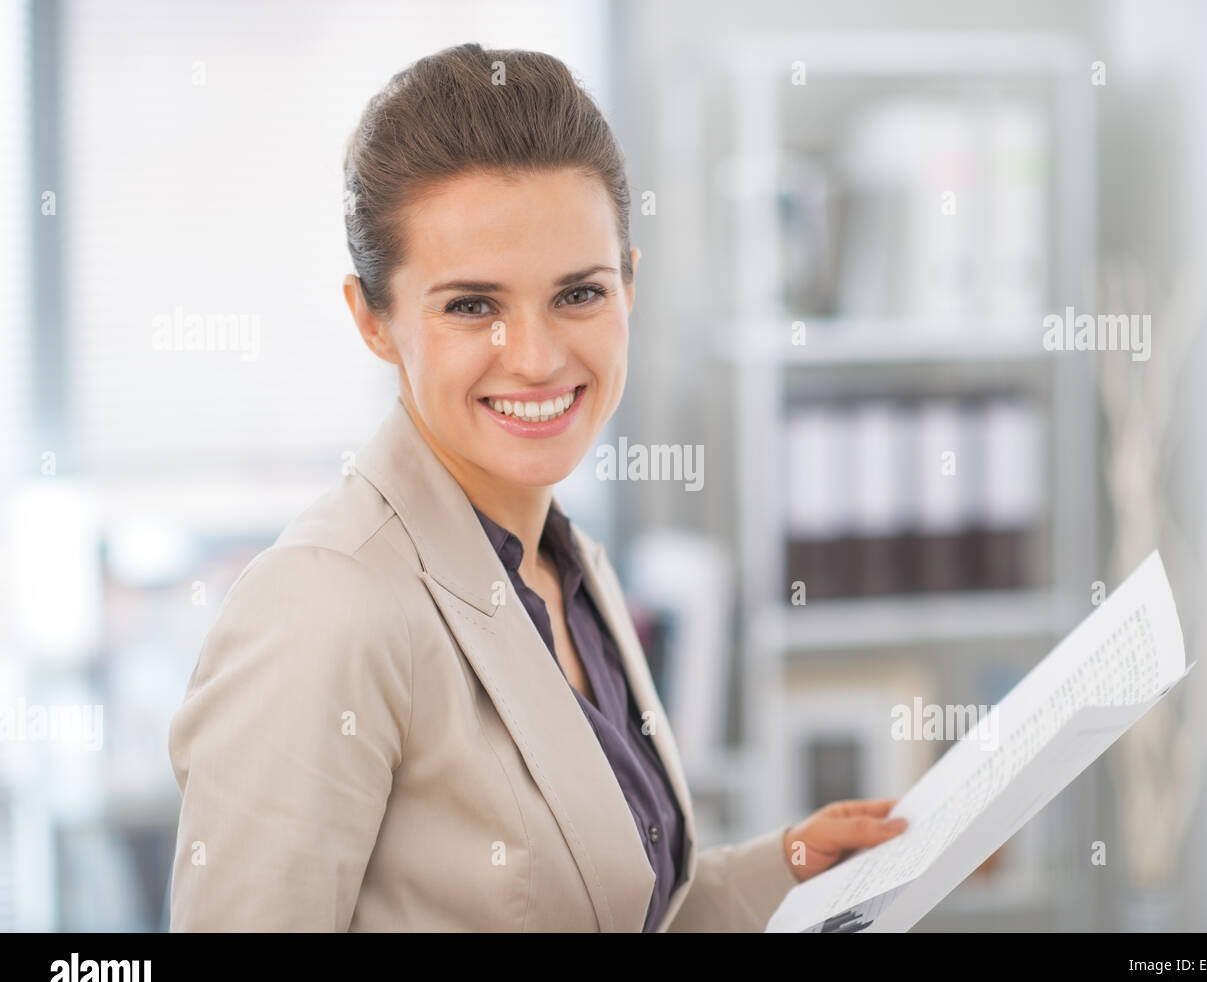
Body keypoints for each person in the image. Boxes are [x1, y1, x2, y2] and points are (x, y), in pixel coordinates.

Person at [167, 41, 907, 932]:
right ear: (373, 319)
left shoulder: (569, 561)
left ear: (629, 283)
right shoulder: (325, 605)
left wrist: (785, 869)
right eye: (471, 305)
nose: (538, 357)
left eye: (578, 294)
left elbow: (617, 909)